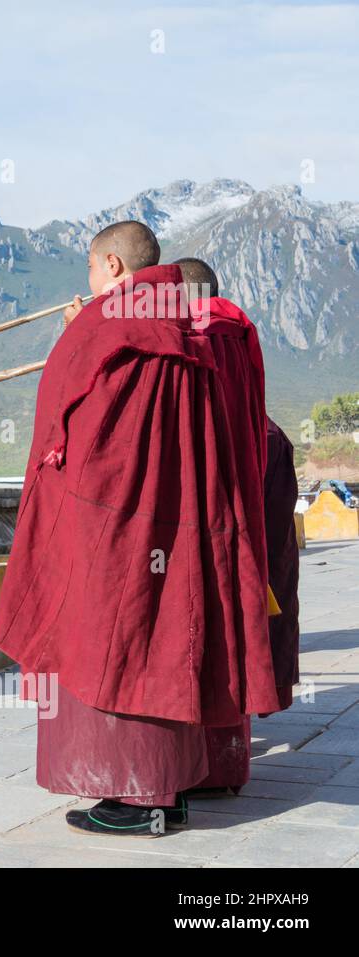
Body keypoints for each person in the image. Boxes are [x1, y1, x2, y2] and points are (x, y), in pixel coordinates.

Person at [0, 221, 282, 836]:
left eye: (92, 269)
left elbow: (75, 434)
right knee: (176, 631)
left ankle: (137, 797)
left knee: (118, 642)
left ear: (116, 268)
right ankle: (173, 790)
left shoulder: (113, 325)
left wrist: (77, 334)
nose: (89, 284)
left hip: (119, 528)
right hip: (183, 522)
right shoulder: (193, 328)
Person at [173, 257, 301, 794]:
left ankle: (195, 768)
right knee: (253, 601)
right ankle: (229, 760)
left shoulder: (197, 335)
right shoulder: (232, 328)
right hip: (261, 449)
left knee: (214, 622)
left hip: (219, 480)